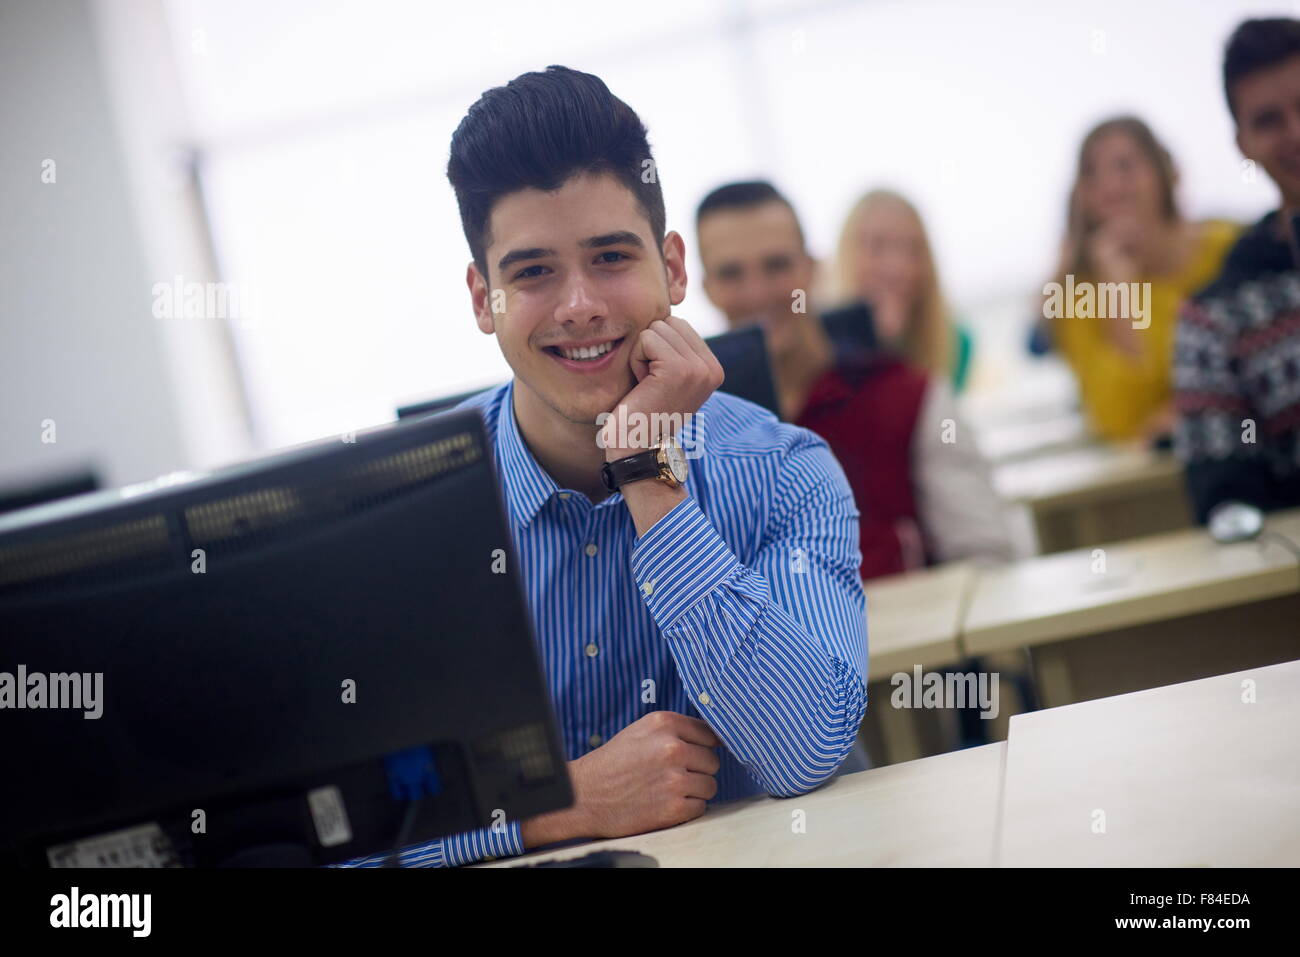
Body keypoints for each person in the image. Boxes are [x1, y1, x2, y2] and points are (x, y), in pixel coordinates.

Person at [342, 67, 868, 867]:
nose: (579, 304)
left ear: (674, 269)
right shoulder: (394, 520)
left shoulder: (789, 473)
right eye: (533, 272)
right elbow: (338, 834)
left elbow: (804, 751)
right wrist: (559, 804)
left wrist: (646, 471)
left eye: (611, 256)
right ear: (483, 298)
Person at [696, 180, 1013, 581]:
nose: (757, 292)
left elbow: (988, 559)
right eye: (731, 273)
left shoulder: (912, 397)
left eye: (776, 265)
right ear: (706, 288)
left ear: (813, 268)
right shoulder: (692, 432)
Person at [1038, 116, 1238, 442]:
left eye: (1125, 167)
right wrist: (1118, 293)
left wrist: (1190, 408)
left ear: (1164, 173)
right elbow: (1120, 422)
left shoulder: (1229, 249)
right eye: (1091, 173)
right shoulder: (1077, 297)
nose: (1110, 187)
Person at [1174, 18, 1300, 520]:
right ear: (1242, 143)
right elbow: (1224, 498)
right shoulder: (1215, 317)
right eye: (1269, 119)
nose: (1296, 133)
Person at [832, 189, 975, 393]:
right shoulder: (818, 343)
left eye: (911, 249)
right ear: (847, 254)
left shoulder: (956, 343)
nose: (896, 268)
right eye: (877, 246)